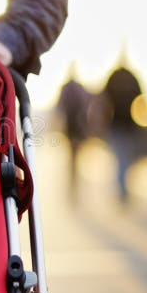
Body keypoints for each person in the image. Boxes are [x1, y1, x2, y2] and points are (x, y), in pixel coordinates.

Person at [101, 55, 144, 204]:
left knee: (120, 158)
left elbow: (104, 99)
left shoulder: (114, 76)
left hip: (116, 124)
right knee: (126, 158)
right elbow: (141, 97)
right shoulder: (131, 76)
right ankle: (123, 190)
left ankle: (122, 189)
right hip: (129, 124)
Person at [55, 63, 92, 200]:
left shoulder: (65, 88)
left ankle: (72, 181)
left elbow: (59, 107)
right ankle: (74, 181)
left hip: (70, 127)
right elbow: (87, 105)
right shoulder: (80, 88)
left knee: (72, 155)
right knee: (75, 154)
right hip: (78, 127)